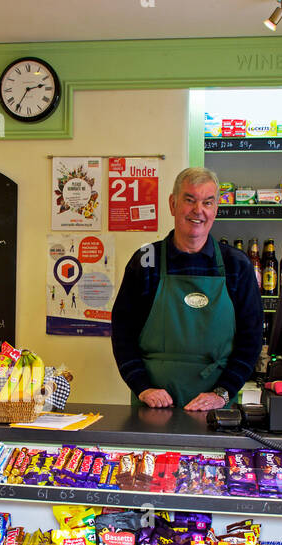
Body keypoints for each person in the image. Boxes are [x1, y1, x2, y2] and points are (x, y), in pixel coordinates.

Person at [111, 167, 263, 411]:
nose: (198, 211)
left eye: (207, 202)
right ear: (173, 204)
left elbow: (251, 340)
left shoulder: (238, 265)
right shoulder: (145, 261)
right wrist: (143, 387)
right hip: (153, 408)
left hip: (216, 410)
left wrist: (222, 393)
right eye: (189, 200)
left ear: (216, 209)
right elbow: (122, 335)